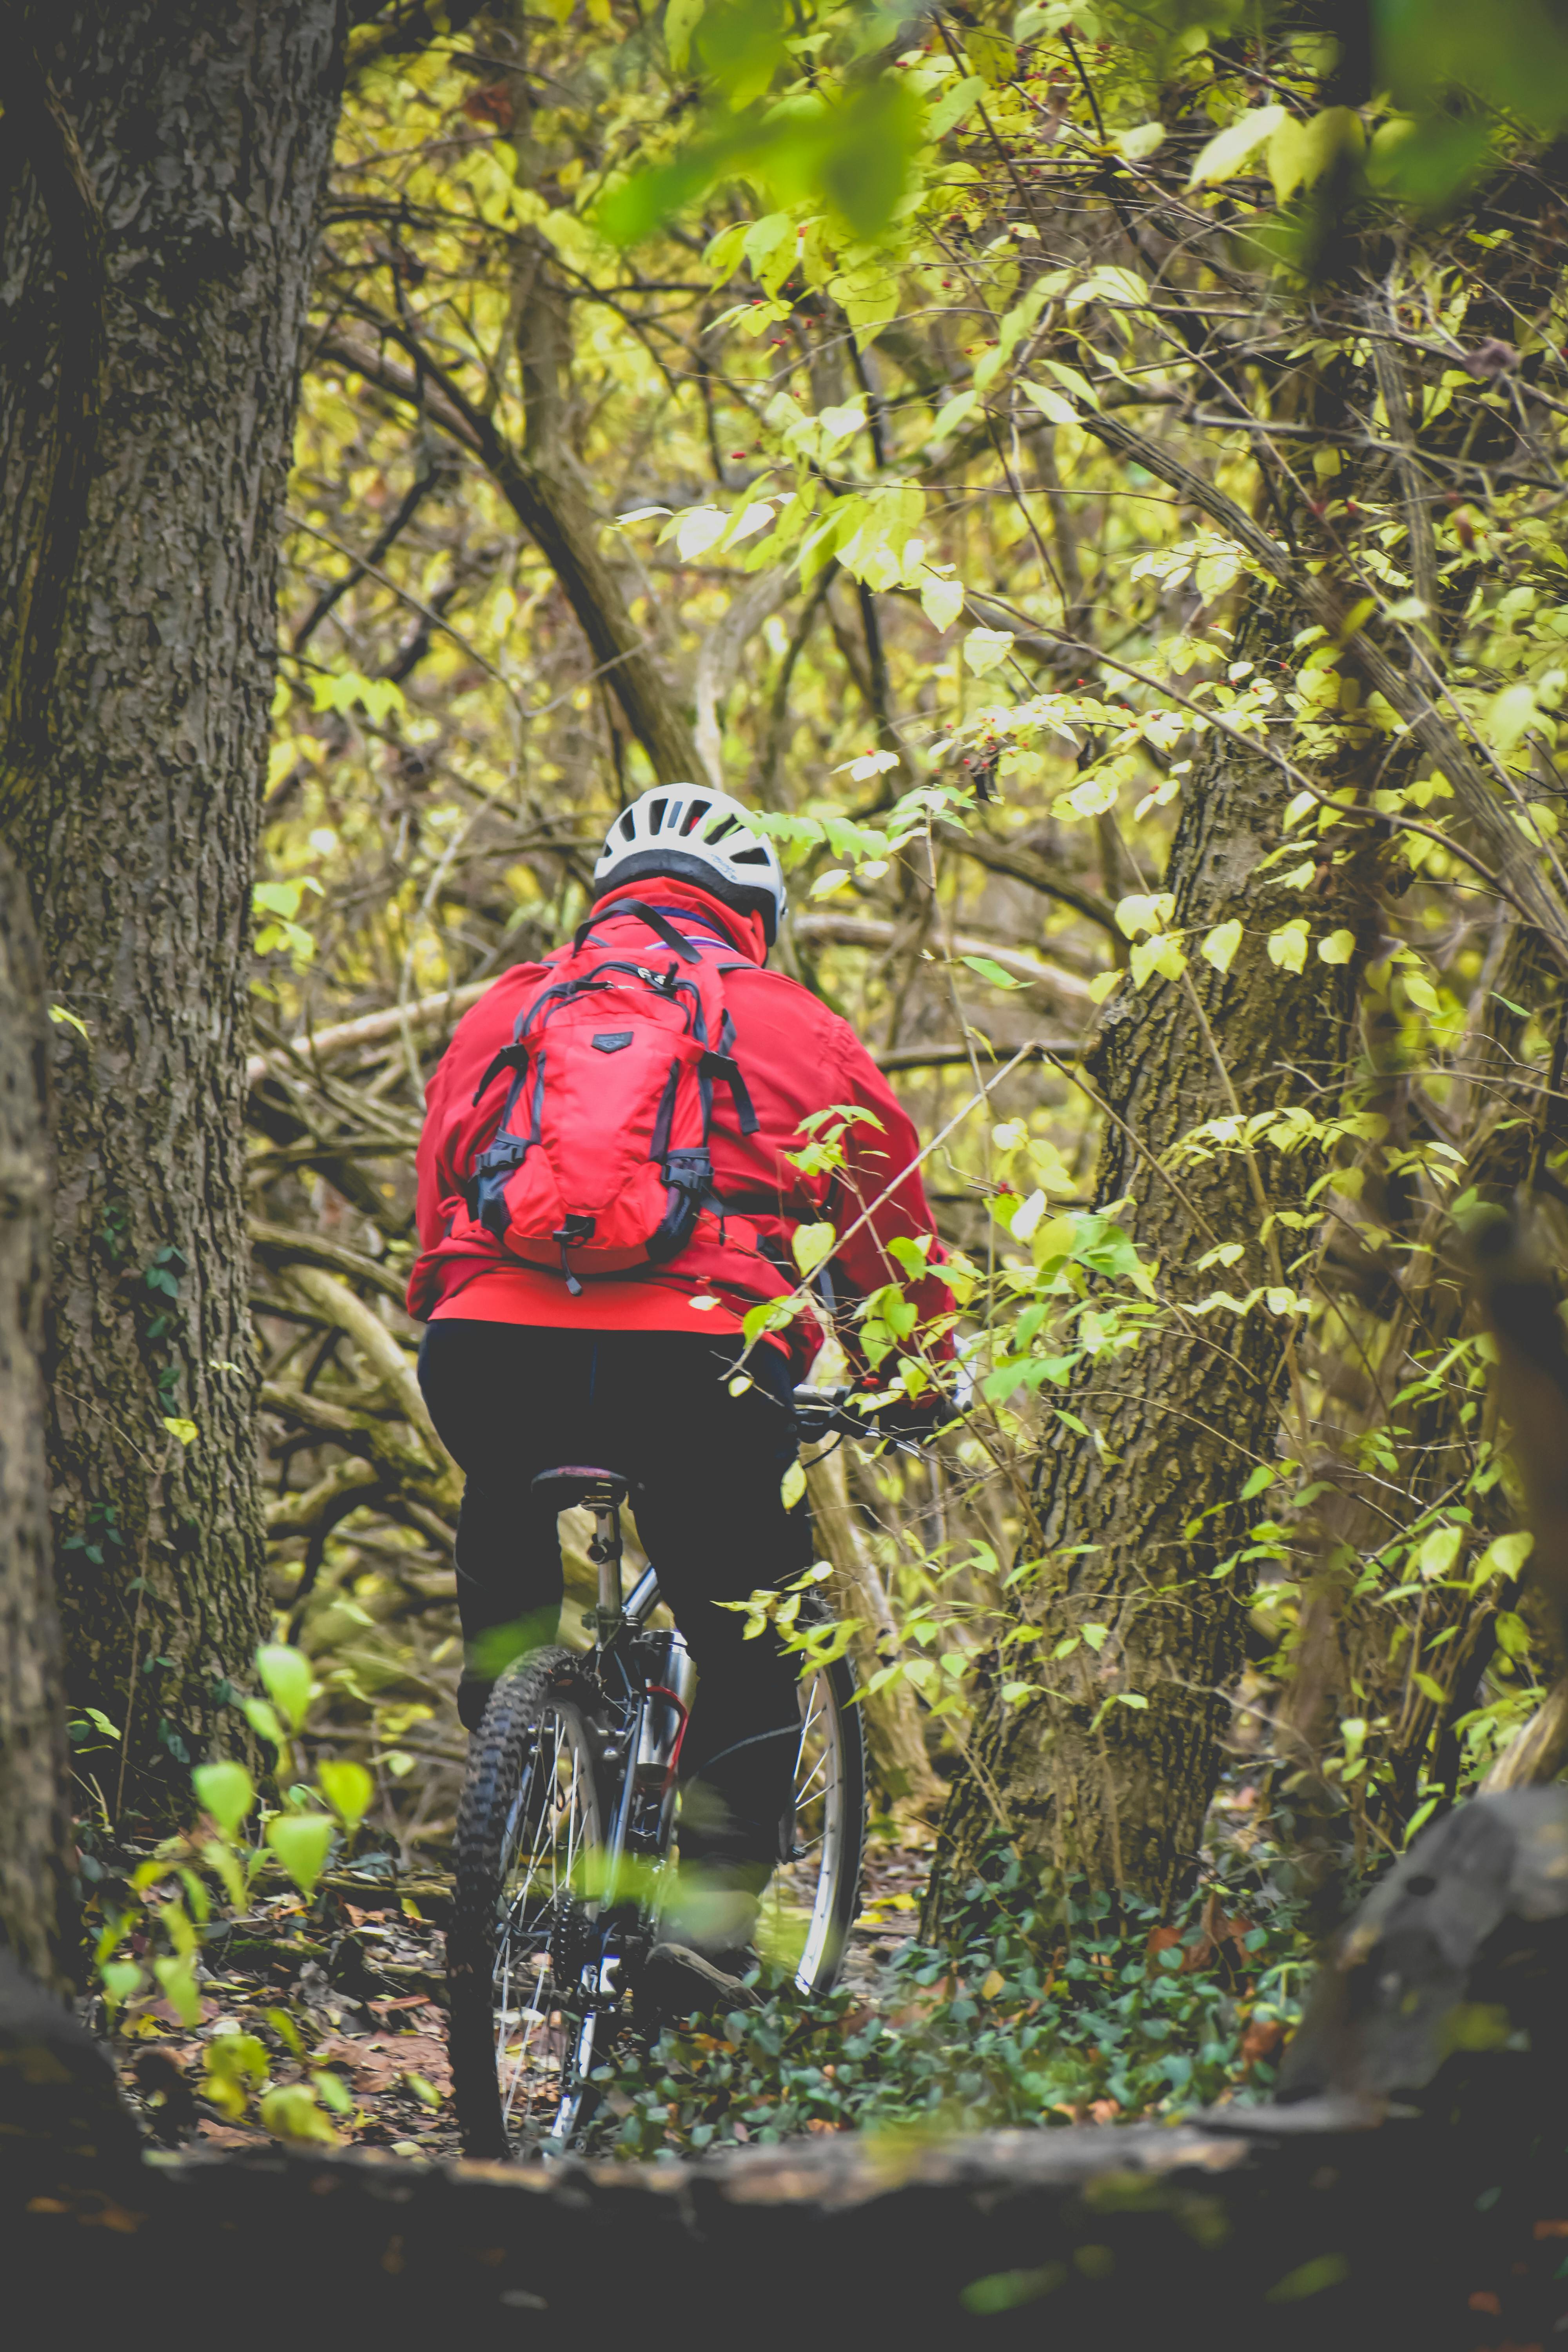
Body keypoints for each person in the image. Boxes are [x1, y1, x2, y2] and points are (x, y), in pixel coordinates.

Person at [408, 783, 949, 2002]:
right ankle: (700, 1938)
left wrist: (469, 1311)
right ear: (751, 914)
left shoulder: (509, 1011)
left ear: (605, 901)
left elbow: (442, 1195)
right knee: (754, 1640)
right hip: (697, 1362)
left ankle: (517, 1741)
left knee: (502, 1492)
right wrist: (907, 1375)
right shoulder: (785, 1021)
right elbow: (883, 1218)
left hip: (489, 1346)